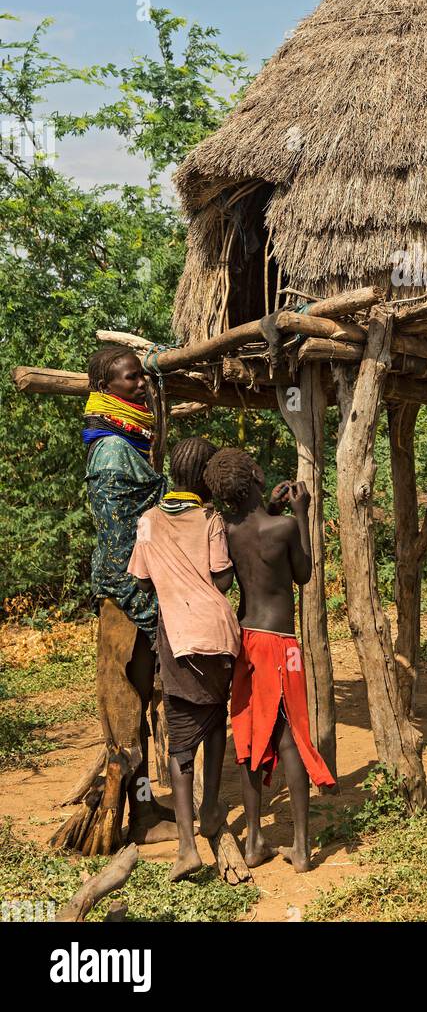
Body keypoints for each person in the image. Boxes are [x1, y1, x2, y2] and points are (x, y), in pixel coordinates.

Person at [203, 448, 336, 872]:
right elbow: (303, 573)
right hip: (281, 643)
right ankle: (300, 847)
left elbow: (250, 538)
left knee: (249, 737)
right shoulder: (285, 528)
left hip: (245, 641)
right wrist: (301, 514)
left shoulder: (226, 529)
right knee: (289, 737)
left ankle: (255, 839)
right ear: (258, 474)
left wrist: (276, 508)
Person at [127, 437, 241, 881]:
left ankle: (188, 846)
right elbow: (223, 579)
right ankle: (211, 808)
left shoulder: (149, 520)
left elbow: (139, 581)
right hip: (217, 634)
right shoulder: (212, 518)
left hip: (176, 640)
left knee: (180, 743)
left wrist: (169, 582)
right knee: (215, 723)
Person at [83, 344, 176, 847]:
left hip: (138, 592)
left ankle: (145, 809)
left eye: (142, 376)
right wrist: (150, 615)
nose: (141, 384)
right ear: (105, 388)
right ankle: (138, 817)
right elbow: (120, 546)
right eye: (130, 379)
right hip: (129, 600)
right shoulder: (114, 453)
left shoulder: (126, 440)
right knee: (130, 711)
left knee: (138, 707)